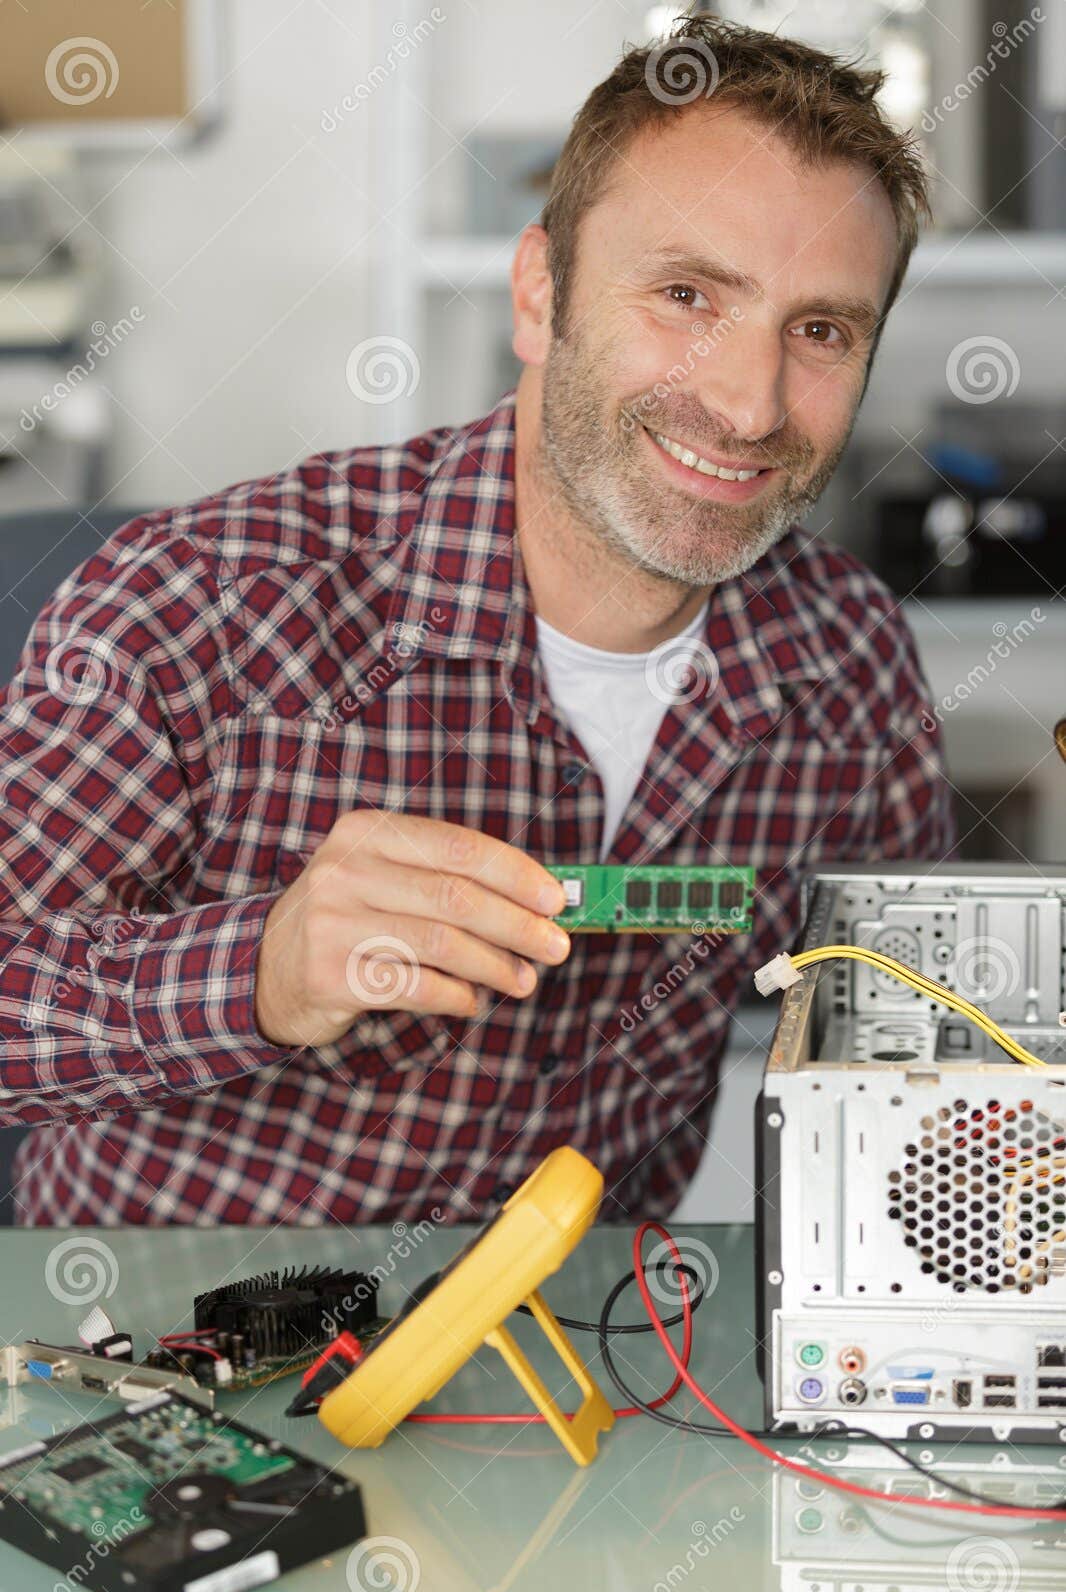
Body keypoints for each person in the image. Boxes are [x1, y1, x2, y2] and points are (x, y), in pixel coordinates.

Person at [0, 20, 953, 1226]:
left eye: (819, 331)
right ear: (540, 293)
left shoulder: (851, 668)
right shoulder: (204, 602)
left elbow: (910, 1060)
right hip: (166, 1349)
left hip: (583, 1362)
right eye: (684, 294)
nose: (747, 401)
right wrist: (261, 971)